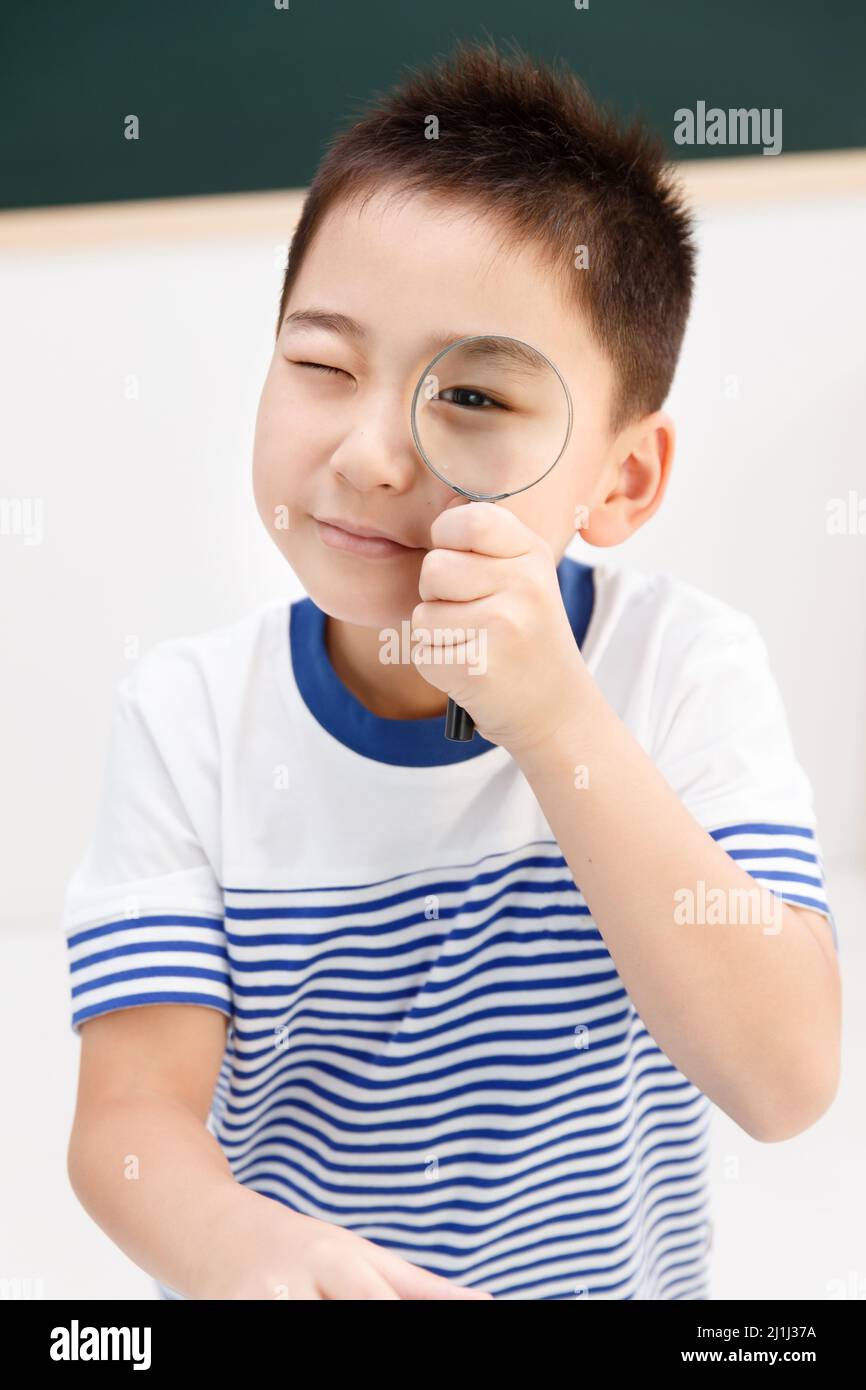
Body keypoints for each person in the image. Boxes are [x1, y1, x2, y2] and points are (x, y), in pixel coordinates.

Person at [63, 38, 840, 1301]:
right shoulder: (190, 717)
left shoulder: (677, 668)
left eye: (472, 396)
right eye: (320, 366)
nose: (373, 453)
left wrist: (552, 719)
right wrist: (258, 1253)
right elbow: (124, 1125)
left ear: (620, 478)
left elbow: (786, 1076)